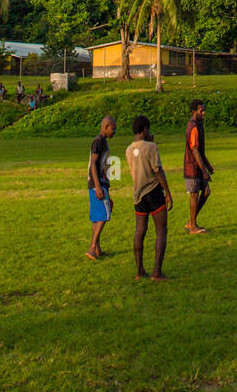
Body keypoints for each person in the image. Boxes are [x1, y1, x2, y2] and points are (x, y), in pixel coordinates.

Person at [125, 115, 173, 281]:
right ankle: (157, 273)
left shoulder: (128, 149)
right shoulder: (151, 147)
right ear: (145, 129)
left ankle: (139, 271)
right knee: (161, 231)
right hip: (153, 192)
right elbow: (158, 170)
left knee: (140, 231)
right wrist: (168, 192)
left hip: (138, 195)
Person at [86, 114, 117, 261]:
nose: (114, 131)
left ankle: (97, 250)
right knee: (105, 215)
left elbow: (105, 165)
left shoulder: (104, 142)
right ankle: (92, 247)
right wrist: (98, 186)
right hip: (96, 184)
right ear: (105, 127)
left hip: (101, 183)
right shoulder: (98, 142)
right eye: (113, 128)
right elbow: (93, 163)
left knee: (97, 217)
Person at [183, 99, 213, 234]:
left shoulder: (199, 125)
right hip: (192, 167)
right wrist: (204, 171)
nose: (204, 112)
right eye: (202, 110)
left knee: (206, 191)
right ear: (194, 111)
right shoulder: (193, 127)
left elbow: (200, 151)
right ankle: (193, 226)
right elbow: (195, 150)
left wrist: (208, 165)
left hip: (199, 165)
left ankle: (191, 221)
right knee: (194, 195)